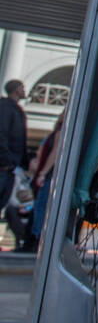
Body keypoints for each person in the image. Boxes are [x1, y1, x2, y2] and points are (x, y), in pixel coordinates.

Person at [0, 80, 28, 240]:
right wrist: (6, 160)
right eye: (22, 87)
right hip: (5, 166)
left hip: (10, 167)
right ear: (16, 89)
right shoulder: (6, 108)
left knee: (5, 202)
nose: (24, 90)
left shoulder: (16, 110)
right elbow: (1, 133)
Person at [32, 111, 65, 245]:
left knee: (41, 207)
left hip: (50, 177)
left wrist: (42, 173)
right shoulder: (60, 132)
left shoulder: (60, 132)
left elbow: (54, 153)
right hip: (53, 176)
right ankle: (38, 236)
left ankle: (37, 237)